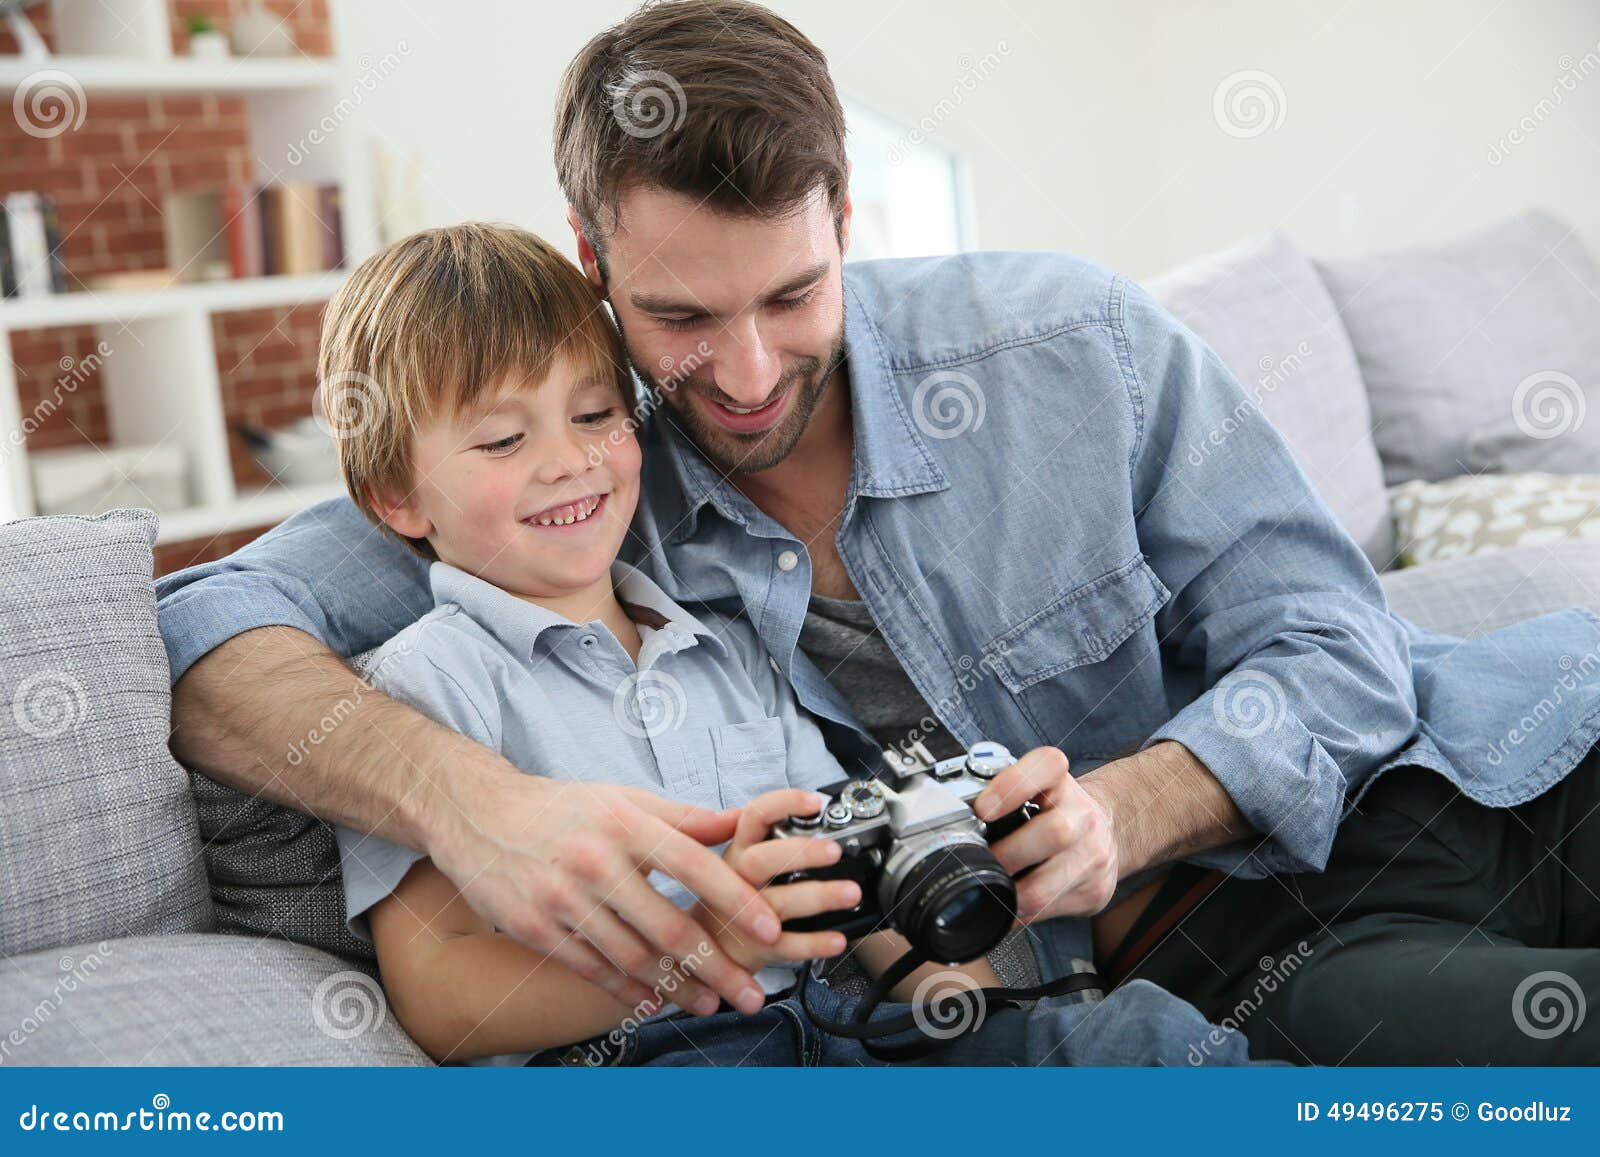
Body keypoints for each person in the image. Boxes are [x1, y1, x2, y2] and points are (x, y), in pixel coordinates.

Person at [157, 0, 1600, 1064]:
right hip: (1253, 962)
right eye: (679, 316)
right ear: (597, 267)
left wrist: (1126, 806)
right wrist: (472, 802)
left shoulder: (1069, 342)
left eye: (791, 297)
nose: (740, 373)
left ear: (848, 216)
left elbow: (1341, 643)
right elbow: (210, 634)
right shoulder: (573, 471)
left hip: (1494, 755)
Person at [313, 220, 1261, 1066]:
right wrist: (705, 947)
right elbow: (440, 1000)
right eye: (499, 441)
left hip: (844, 1027)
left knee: (1137, 1042)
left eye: (596, 415)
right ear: (396, 496)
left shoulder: (728, 643)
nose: (569, 460)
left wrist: (966, 993)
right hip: (651, 1062)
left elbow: (850, 898)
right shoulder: (419, 695)